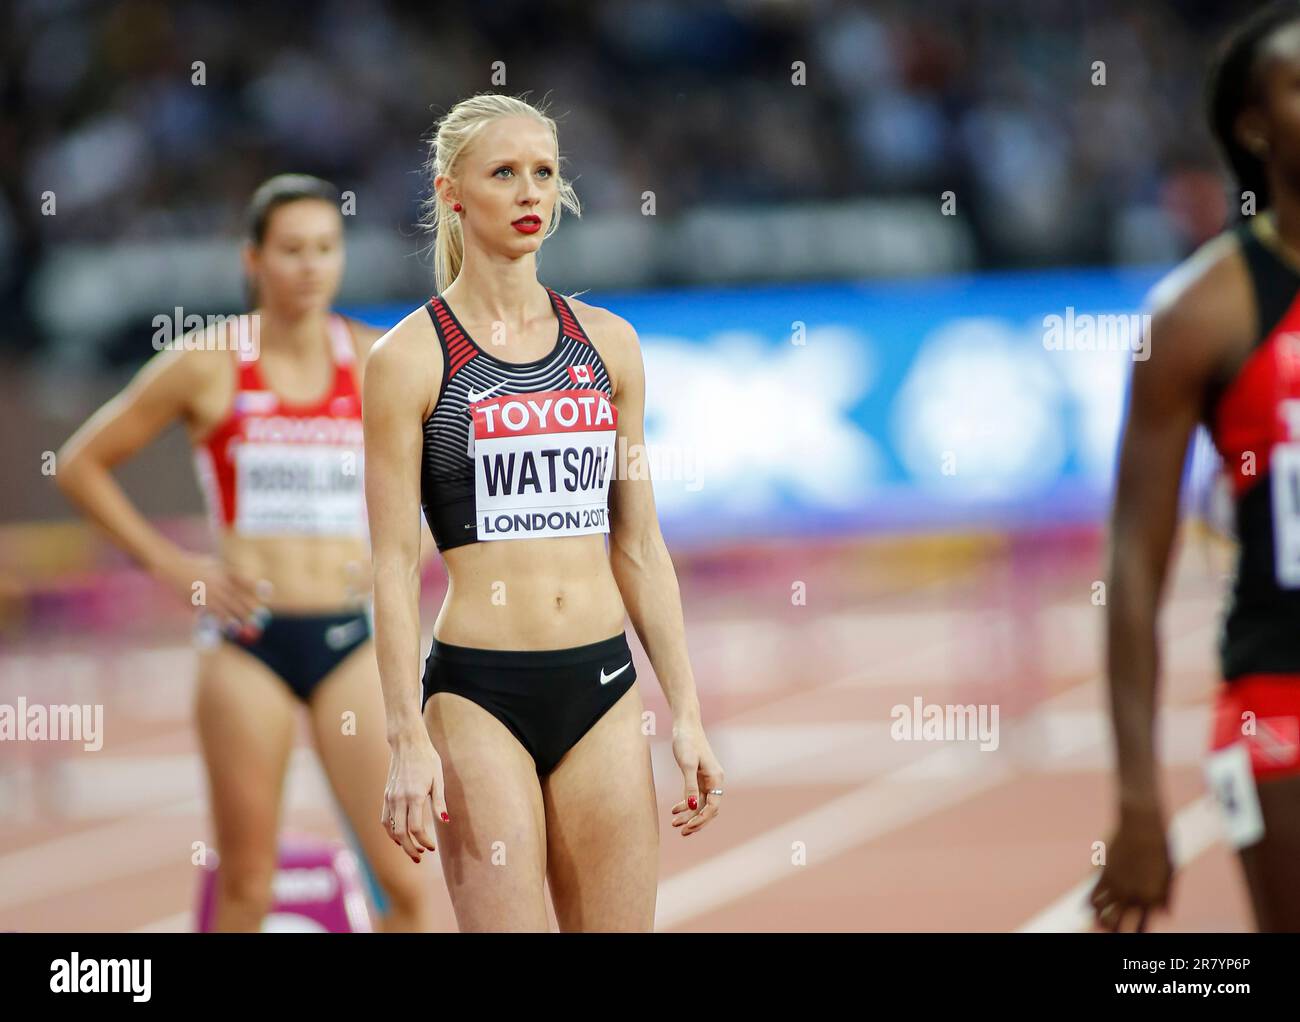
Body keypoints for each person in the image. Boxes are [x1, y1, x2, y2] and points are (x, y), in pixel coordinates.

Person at [364, 93, 724, 932]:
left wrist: (689, 713)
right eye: (504, 173)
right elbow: (387, 563)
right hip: (477, 696)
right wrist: (402, 739)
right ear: (452, 192)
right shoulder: (409, 357)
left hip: (600, 684)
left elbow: (639, 546)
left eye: (544, 174)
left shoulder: (608, 345)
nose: (530, 194)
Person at [56, 174, 436, 932]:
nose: (309, 267)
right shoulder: (208, 364)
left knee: (405, 883)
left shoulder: (375, 359)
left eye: (326, 248)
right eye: (291, 250)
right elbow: (79, 463)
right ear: (253, 260)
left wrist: (410, 550)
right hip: (246, 644)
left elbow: (436, 472)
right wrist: (174, 568)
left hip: (351, 640)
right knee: (246, 886)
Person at [1095, 2, 1300, 933]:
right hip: (1278, 705)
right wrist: (1141, 801)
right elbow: (1135, 564)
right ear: (1254, 128)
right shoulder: (1199, 316)